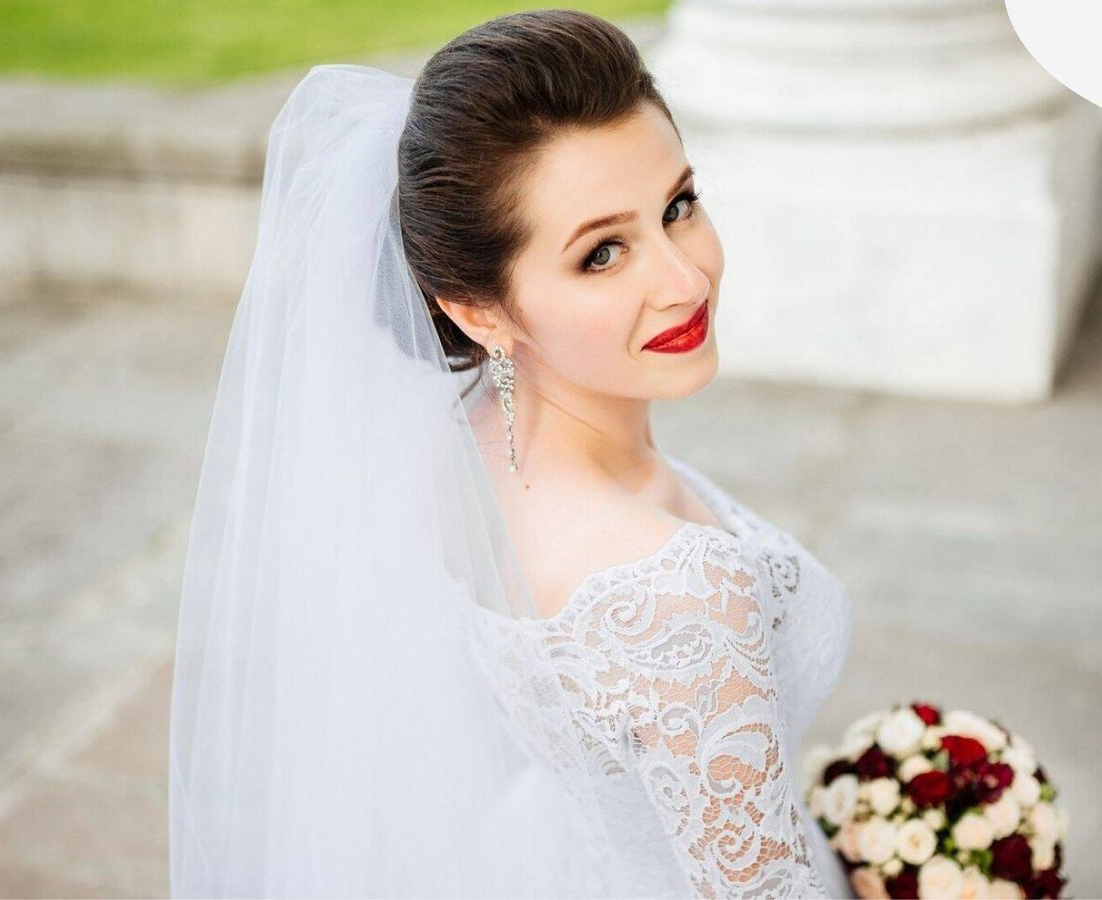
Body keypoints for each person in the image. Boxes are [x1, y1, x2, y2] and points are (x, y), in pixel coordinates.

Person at [168, 9, 853, 898]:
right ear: (478, 310)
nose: (685, 279)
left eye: (678, 207)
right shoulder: (683, 598)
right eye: (602, 253)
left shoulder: (457, 458)